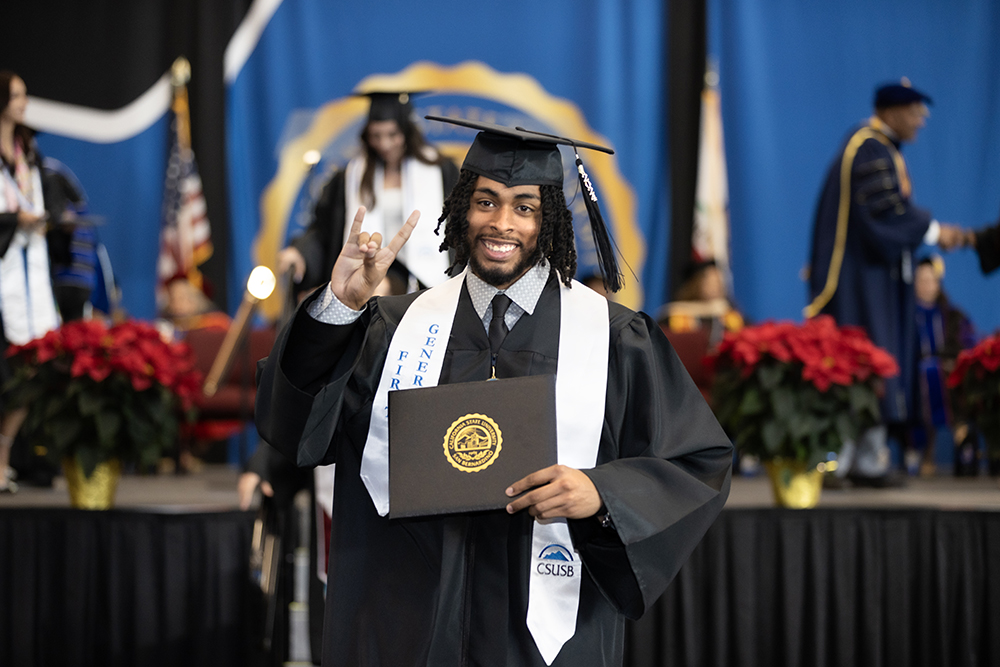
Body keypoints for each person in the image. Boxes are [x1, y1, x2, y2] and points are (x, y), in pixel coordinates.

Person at [256, 117, 732, 666]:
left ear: (548, 221)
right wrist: (338, 309)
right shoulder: (392, 328)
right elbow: (295, 426)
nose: (502, 223)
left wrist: (603, 493)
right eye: (486, 202)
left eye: (524, 207)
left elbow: (697, 462)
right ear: (463, 209)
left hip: (545, 635)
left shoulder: (613, 338)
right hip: (410, 622)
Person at [806, 79, 965, 487]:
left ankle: (867, 461)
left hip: (877, 279)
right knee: (859, 363)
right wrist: (934, 232)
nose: (921, 120)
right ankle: (835, 462)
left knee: (878, 362)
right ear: (891, 112)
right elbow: (884, 212)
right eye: (914, 112)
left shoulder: (881, 148)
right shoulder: (868, 148)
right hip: (860, 284)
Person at [277, 92, 459, 301]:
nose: (384, 144)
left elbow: (460, 226)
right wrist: (300, 252)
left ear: (407, 132)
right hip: (373, 268)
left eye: (392, 134)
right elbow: (322, 231)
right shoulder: (349, 178)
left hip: (422, 275)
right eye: (376, 135)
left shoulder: (442, 172)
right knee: (371, 287)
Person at [0, 71, 60, 494]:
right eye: (17, 95)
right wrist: (12, 220)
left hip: (31, 271)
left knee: (35, 372)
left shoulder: (28, 149)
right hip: (3, 275)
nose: (23, 102)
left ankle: (15, 456)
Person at [910, 256, 977, 476]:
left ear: (938, 283)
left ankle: (963, 448)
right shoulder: (905, 315)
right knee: (927, 375)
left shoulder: (952, 315)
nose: (926, 286)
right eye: (921, 280)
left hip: (947, 372)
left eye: (931, 280)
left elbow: (966, 346)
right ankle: (921, 451)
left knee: (944, 375)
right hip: (914, 374)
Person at [661, 258, 744, 346]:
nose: (715, 286)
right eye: (710, 281)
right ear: (696, 283)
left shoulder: (729, 314)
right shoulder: (675, 314)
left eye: (717, 281)